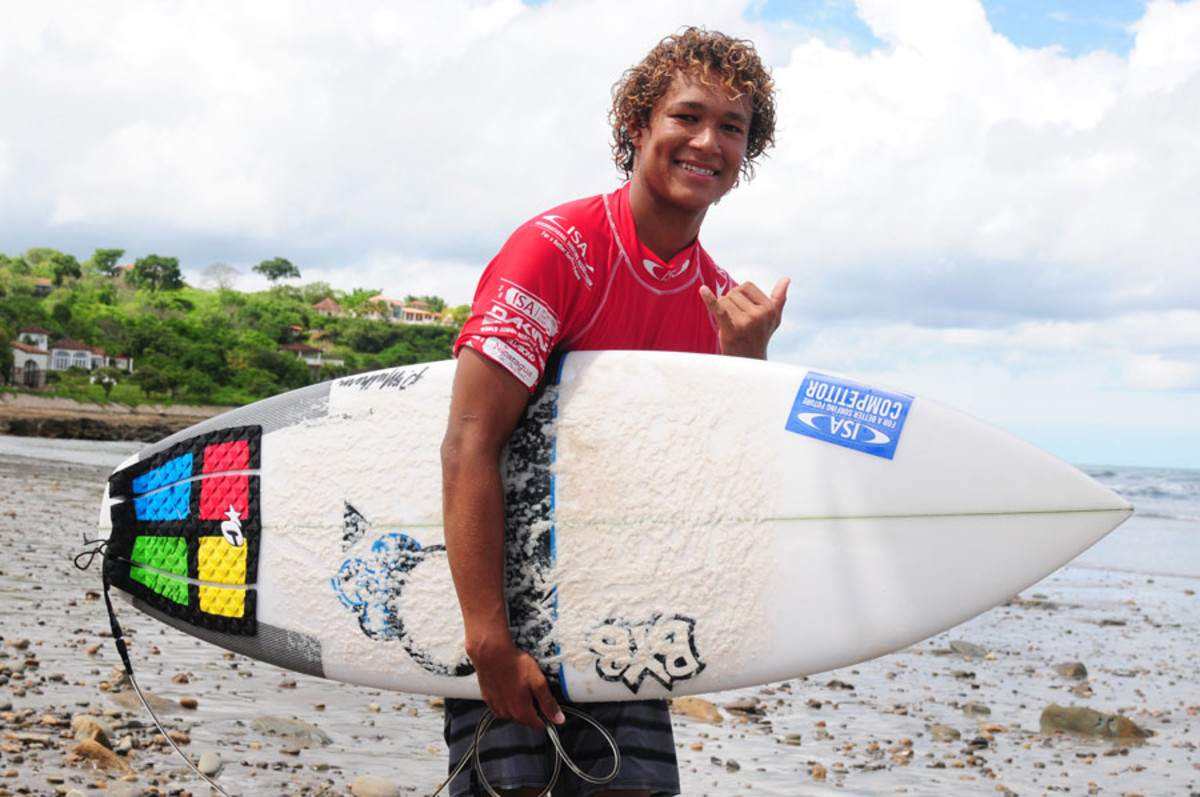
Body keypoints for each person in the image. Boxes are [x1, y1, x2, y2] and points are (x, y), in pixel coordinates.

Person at [440, 26, 789, 797]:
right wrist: (487, 638)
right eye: (686, 116)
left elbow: (710, 500)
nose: (708, 142)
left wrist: (745, 372)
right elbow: (469, 441)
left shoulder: (720, 304)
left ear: (747, 153)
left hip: (630, 624)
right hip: (512, 613)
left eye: (732, 127)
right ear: (636, 126)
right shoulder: (556, 251)